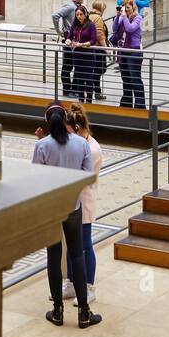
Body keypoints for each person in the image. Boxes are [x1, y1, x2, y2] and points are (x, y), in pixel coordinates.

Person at [32, 104, 102, 329]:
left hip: (51, 208)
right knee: (77, 255)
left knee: (53, 257)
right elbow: (88, 176)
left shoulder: (41, 145)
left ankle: (58, 311)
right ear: (64, 120)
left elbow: (36, 178)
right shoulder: (82, 144)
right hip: (73, 206)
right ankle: (84, 312)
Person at [62, 104, 103, 305]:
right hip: (71, 200)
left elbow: (80, 175)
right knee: (71, 245)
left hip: (84, 200)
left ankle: (88, 287)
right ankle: (70, 282)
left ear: (77, 129)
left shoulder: (92, 149)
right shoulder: (77, 143)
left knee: (85, 245)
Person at [112, 0, 145, 108]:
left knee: (135, 78)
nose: (125, 10)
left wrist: (125, 16)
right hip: (123, 50)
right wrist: (117, 16)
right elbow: (115, 29)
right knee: (125, 79)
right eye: (123, 7)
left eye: (128, 7)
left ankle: (140, 105)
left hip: (133, 51)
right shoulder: (122, 17)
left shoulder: (138, 17)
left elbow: (130, 28)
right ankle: (126, 104)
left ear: (133, 7)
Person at [51, 0, 84, 98]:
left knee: (75, 65)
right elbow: (55, 15)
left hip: (77, 39)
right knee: (68, 65)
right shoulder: (70, 6)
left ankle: (73, 90)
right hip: (69, 38)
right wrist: (59, 31)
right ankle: (67, 90)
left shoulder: (78, 7)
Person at [69, 4, 98, 104]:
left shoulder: (91, 25)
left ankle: (89, 101)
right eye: (77, 15)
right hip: (77, 54)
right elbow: (69, 36)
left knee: (88, 78)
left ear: (85, 14)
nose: (79, 16)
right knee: (79, 79)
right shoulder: (75, 24)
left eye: (81, 14)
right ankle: (81, 100)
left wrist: (81, 44)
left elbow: (93, 40)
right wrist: (68, 41)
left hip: (88, 55)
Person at [89, 1, 109, 102]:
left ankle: (93, 90)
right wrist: (107, 50)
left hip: (90, 48)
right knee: (98, 71)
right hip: (97, 49)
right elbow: (100, 35)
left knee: (94, 71)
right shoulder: (98, 18)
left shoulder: (89, 16)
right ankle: (96, 91)